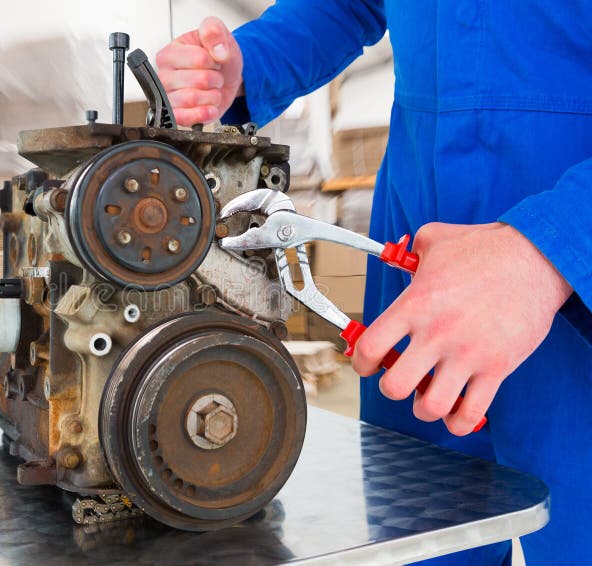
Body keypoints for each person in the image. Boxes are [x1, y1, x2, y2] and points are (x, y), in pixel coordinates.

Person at [156, 3, 592, 564]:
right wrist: (251, 62)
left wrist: (554, 244)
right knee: (420, 533)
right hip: (418, 243)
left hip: (571, 257)